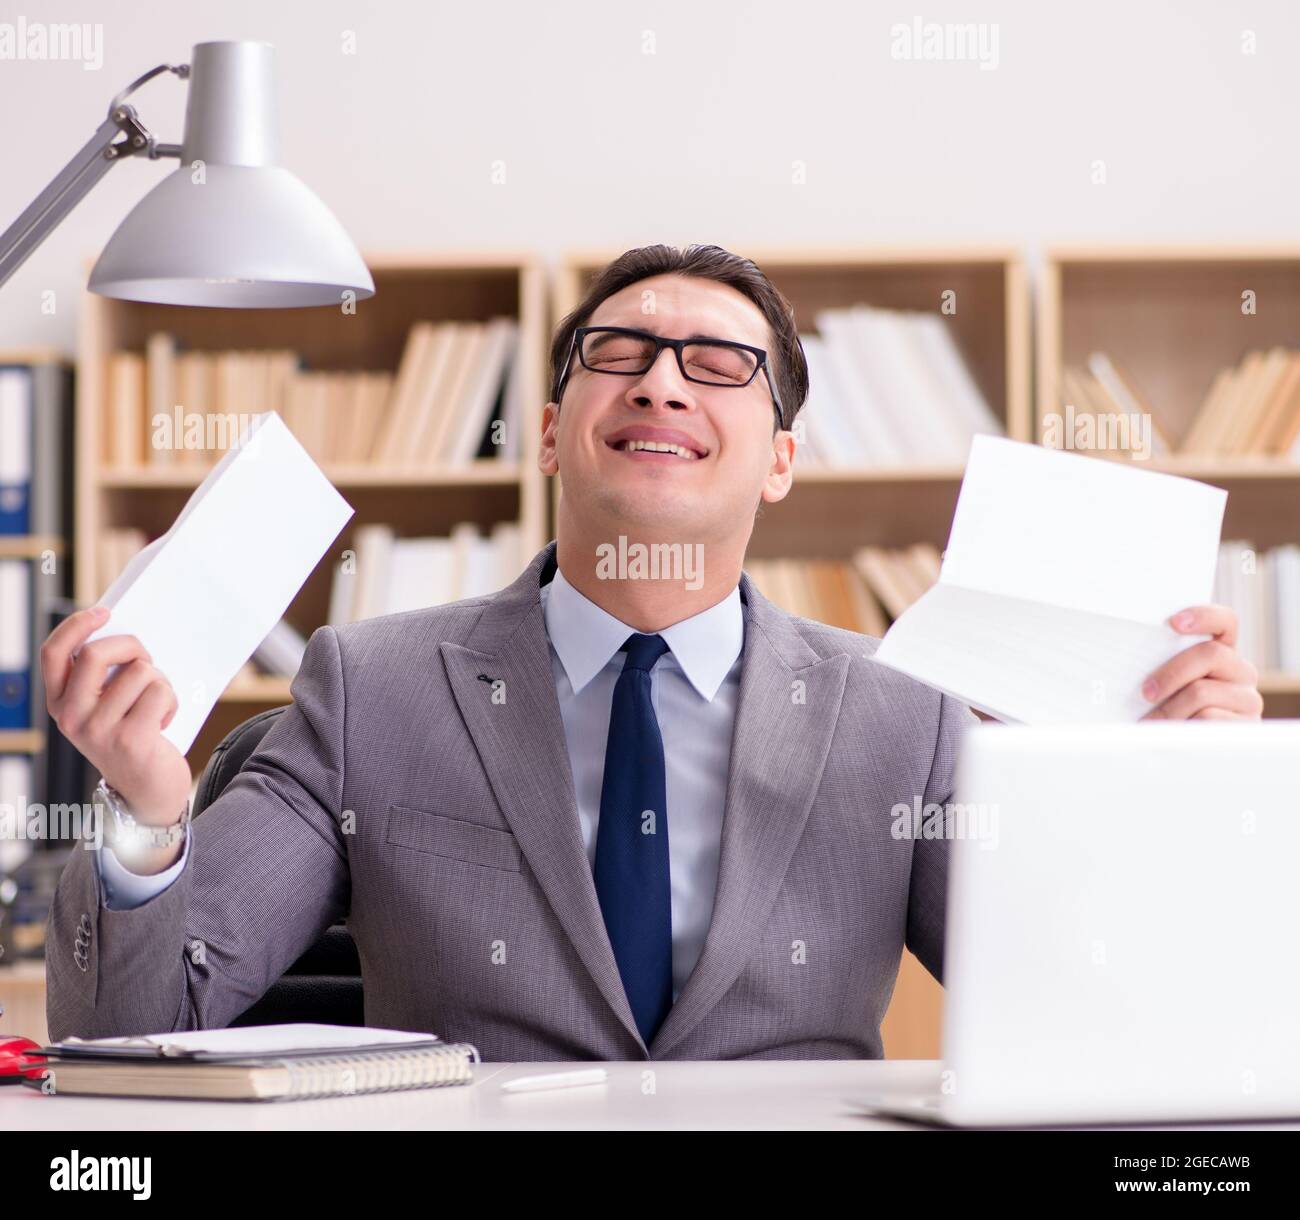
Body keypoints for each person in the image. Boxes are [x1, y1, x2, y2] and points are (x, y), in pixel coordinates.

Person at [40, 244, 1263, 1060]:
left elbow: (1091, 1017)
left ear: (779, 457)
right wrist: (148, 811)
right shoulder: (369, 689)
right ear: (555, 432)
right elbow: (138, 1025)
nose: (664, 383)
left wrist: (1179, 799)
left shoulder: (907, 716)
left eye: (719, 364)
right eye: (618, 355)